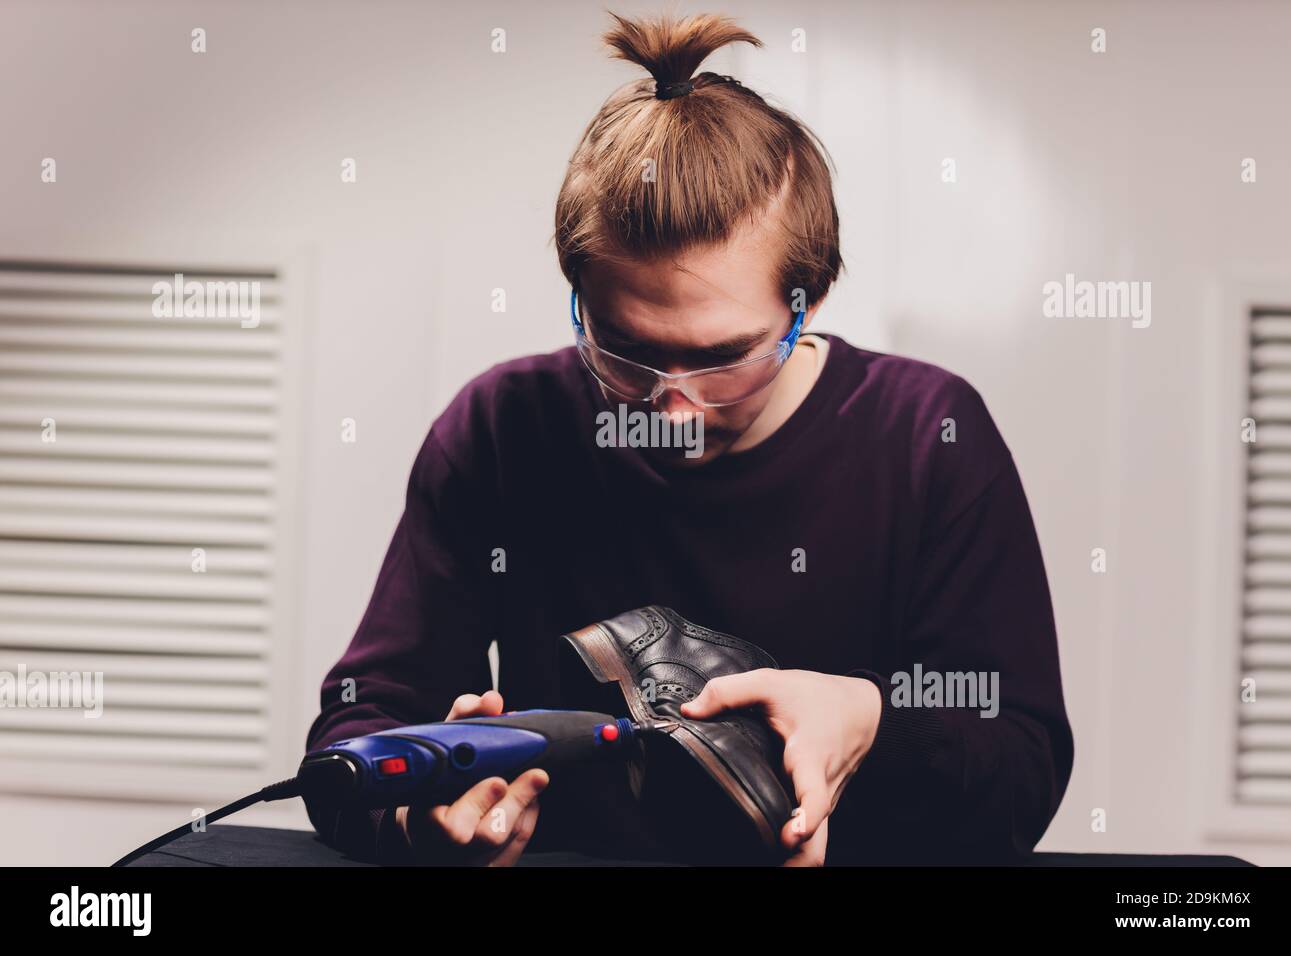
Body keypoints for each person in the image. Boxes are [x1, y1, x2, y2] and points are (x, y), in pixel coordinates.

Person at [305, 11, 1073, 867]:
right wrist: (418, 817)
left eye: (722, 358)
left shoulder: (929, 436)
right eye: (625, 352)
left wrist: (872, 727)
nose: (671, 413)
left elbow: (1022, 770)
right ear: (578, 296)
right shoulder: (500, 429)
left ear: (807, 303)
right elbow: (358, 723)